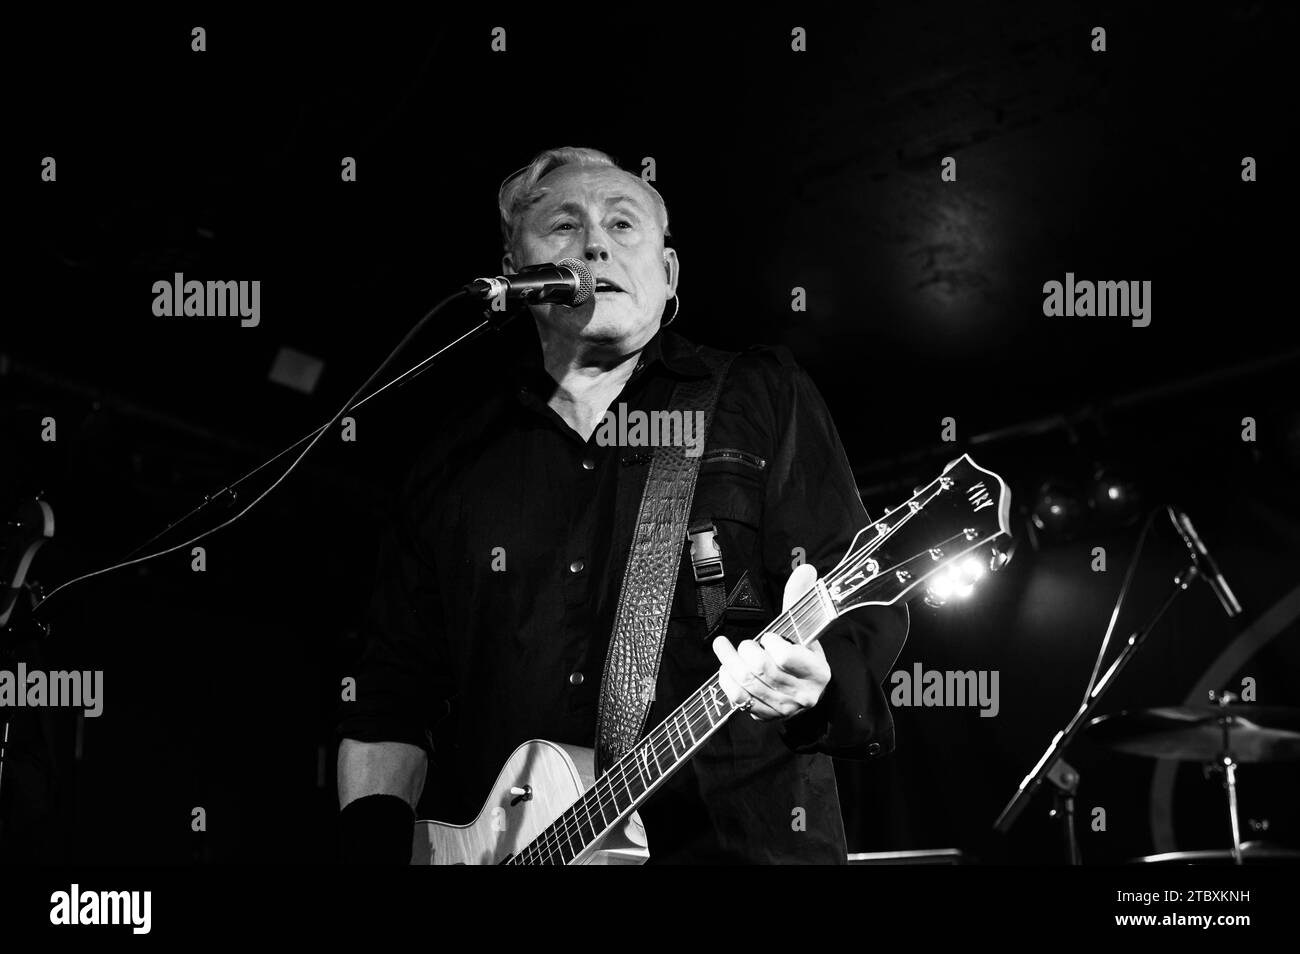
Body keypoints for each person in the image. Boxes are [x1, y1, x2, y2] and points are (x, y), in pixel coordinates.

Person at [336, 146, 908, 864]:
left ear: (668, 275)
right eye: (564, 225)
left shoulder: (756, 396)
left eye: (622, 223)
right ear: (514, 272)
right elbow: (391, 692)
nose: (595, 245)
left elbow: (862, 589)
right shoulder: (452, 459)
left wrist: (819, 679)